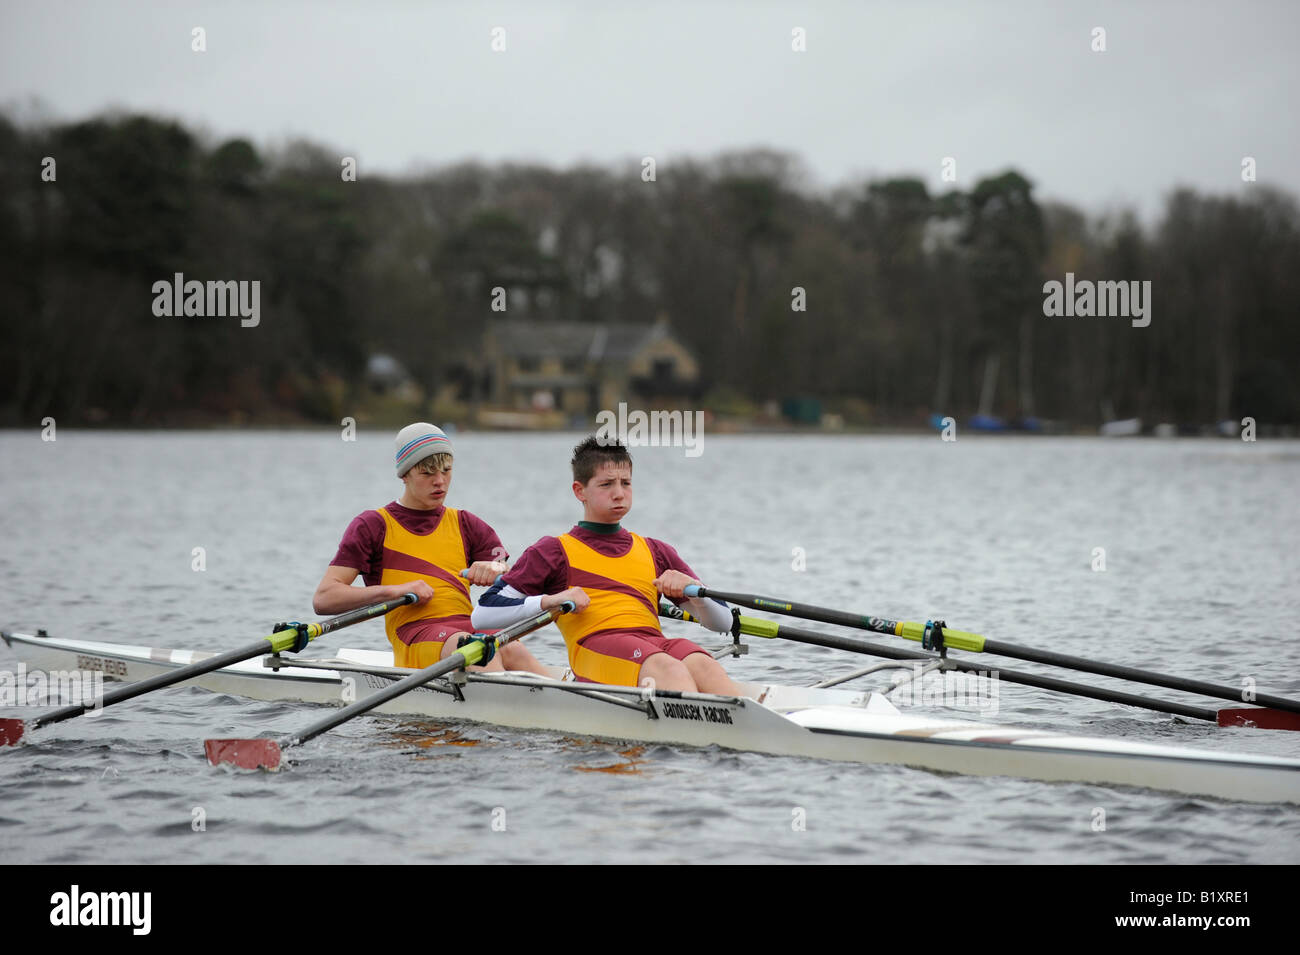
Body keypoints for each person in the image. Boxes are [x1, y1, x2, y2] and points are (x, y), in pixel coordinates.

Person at [472, 436, 747, 694]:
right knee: (668, 667)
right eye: (606, 485)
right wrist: (550, 601)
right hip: (596, 650)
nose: (619, 493)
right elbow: (482, 614)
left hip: (651, 644)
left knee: (704, 664)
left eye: (625, 483)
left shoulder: (656, 551)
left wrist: (694, 593)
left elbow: (723, 623)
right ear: (580, 491)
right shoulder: (553, 551)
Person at [313, 422, 552, 675]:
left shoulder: (465, 523)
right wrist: (396, 591)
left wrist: (496, 567)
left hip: (467, 627)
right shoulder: (372, 525)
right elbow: (325, 598)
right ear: (404, 475)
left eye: (446, 471)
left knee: (515, 650)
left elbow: (510, 575)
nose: (440, 482)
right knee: (480, 653)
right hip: (415, 634)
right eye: (427, 473)